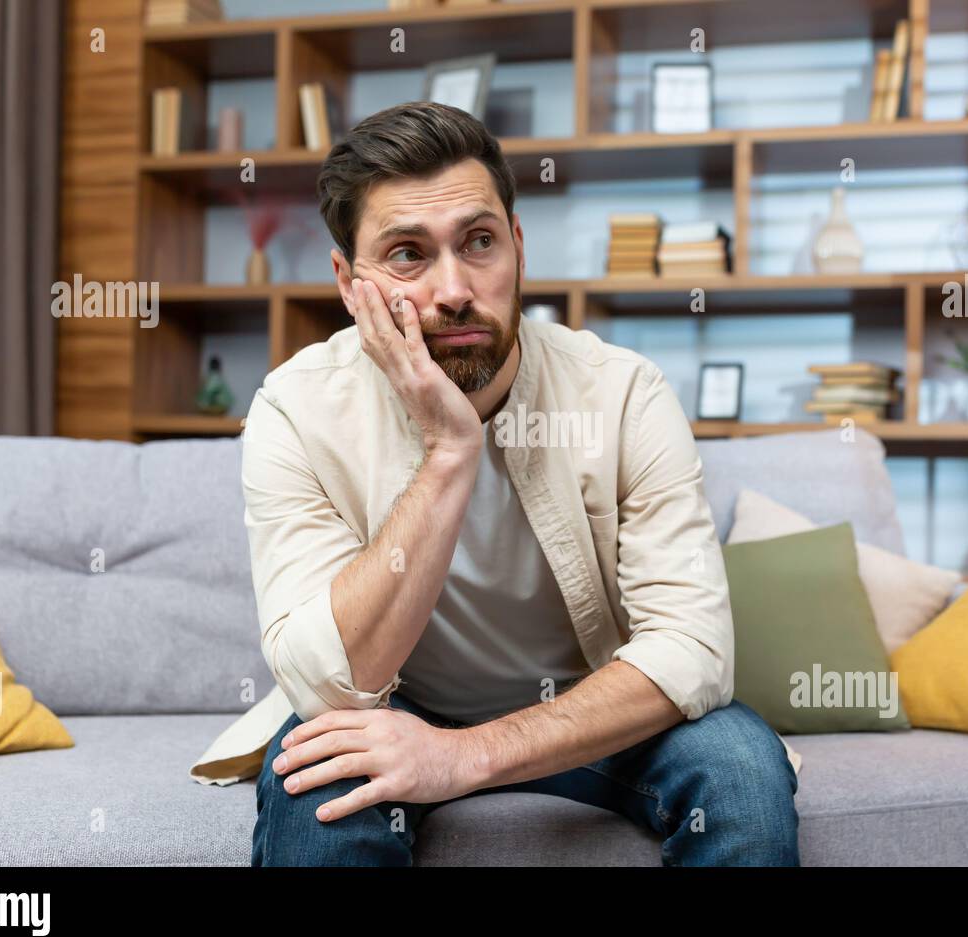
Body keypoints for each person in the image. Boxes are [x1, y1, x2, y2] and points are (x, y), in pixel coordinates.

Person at [193, 100, 801, 866]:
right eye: (408, 254)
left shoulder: (623, 392)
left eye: (478, 242)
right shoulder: (294, 408)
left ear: (516, 246)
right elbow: (328, 683)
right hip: (392, 711)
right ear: (349, 283)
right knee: (318, 784)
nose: (454, 289)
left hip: (593, 712)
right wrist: (449, 451)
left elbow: (693, 649)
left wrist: (464, 756)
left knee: (742, 772)